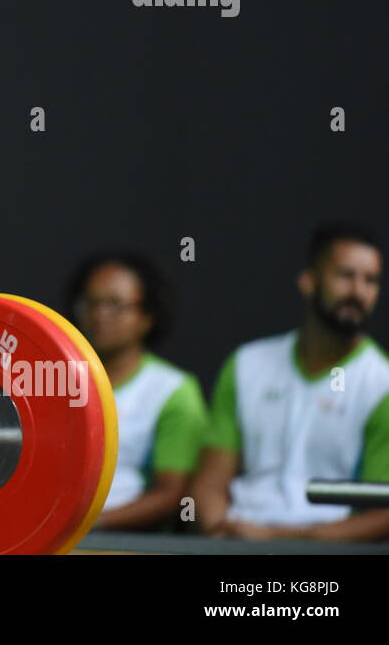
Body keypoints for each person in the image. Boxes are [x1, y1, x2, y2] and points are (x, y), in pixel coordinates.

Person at [191, 223, 389, 540]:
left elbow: (384, 514)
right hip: (237, 540)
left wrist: (276, 538)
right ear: (309, 282)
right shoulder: (246, 364)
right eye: (345, 275)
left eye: (371, 281)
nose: (358, 292)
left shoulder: (382, 383)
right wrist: (220, 532)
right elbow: (209, 484)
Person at [62, 251, 208, 530]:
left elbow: (173, 492)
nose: (99, 315)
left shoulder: (173, 389)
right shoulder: (52, 379)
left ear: (147, 317)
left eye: (115, 304)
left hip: (121, 538)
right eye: (90, 302)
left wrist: (93, 524)